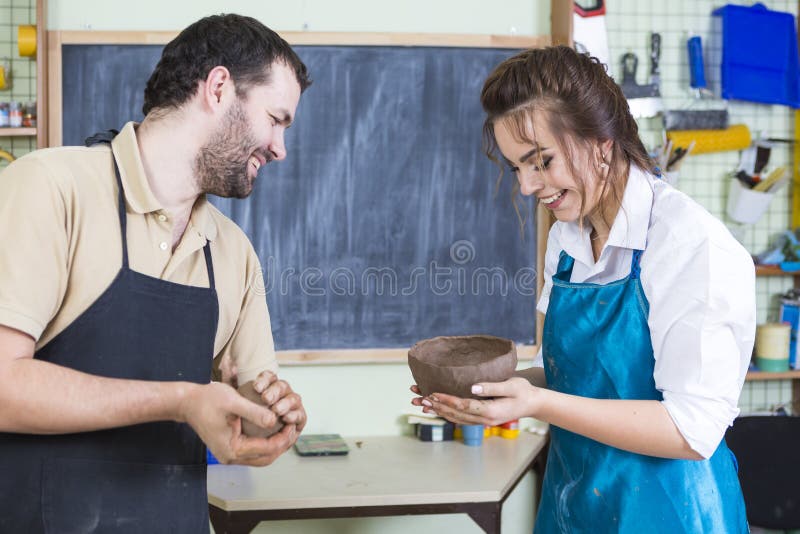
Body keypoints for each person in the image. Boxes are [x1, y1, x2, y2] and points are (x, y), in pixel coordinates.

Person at [412, 45, 755, 533]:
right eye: (517, 168)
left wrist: (536, 403)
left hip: (671, 513)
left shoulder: (687, 244)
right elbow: (578, 377)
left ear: (601, 142)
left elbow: (690, 430)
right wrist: (487, 393)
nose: (529, 186)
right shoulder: (568, 238)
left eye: (541, 161)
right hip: (577, 506)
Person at [0, 14, 311, 533]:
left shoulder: (233, 255)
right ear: (218, 87)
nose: (280, 148)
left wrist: (270, 417)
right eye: (276, 119)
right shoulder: (52, 188)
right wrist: (183, 400)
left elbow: (244, 411)